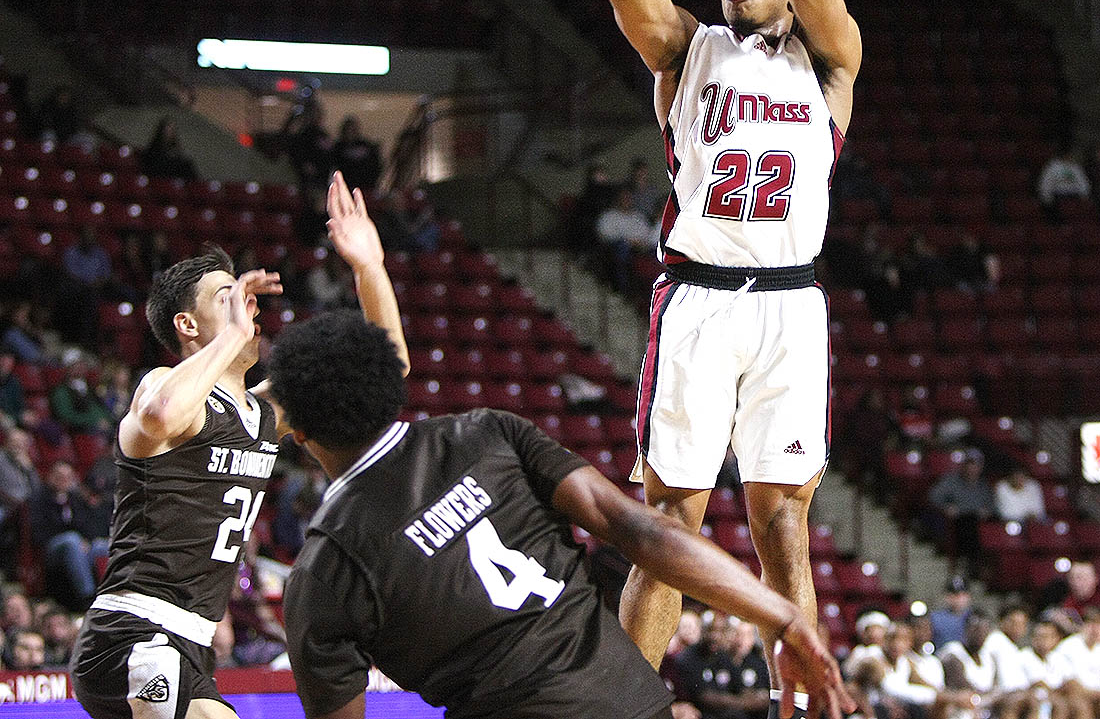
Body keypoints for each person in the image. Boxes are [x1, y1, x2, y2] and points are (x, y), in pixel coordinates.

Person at [262, 188, 851, 719]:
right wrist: (782, 614)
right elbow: (642, 530)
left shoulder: (323, 573)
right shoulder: (484, 435)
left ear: (298, 432)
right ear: (387, 380)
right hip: (630, 702)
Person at [597, 0, 862, 713]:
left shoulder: (828, 61)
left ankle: (806, 700)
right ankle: (624, 698)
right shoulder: (686, 51)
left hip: (791, 303)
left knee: (782, 521)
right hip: (700, 298)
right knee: (671, 516)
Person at [68, 245, 285, 718]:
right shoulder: (159, 385)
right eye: (227, 298)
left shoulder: (261, 413)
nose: (245, 307)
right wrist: (230, 336)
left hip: (193, 642)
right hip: (135, 631)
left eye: (245, 300)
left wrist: (368, 266)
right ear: (188, 324)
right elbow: (163, 413)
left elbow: (383, 370)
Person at [30, 459, 110, 610]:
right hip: (51, 548)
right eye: (59, 476)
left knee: (104, 545)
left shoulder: (75, 499)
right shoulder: (40, 499)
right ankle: (87, 596)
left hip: (79, 545)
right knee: (72, 540)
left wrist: (86, 540)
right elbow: (39, 532)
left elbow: (87, 525)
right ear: (50, 476)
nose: (63, 480)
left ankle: (113, 593)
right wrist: (77, 539)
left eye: (67, 477)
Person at [927, 448, 994, 570]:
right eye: (969, 464)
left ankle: (979, 564)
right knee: (967, 523)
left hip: (978, 520)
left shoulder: (983, 485)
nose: (972, 468)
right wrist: (946, 507)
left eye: (976, 464)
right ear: (964, 465)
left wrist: (987, 510)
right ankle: (967, 561)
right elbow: (934, 495)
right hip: (958, 520)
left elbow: (991, 504)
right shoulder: (951, 481)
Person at [930, 575, 974, 652]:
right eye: (955, 594)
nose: (959, 598)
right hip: (940, 658)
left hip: (968, 660)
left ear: (968, 596)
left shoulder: (974, 617)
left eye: (962, 594)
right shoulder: (935, 618)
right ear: (947, 596)